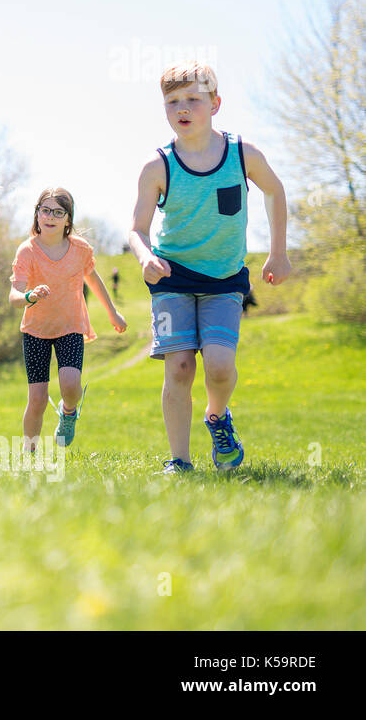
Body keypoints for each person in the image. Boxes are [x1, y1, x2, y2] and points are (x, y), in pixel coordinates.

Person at [128, 61, 290, 474]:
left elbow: (274, 191)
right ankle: (179, 461)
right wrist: (146, 257)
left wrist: (278, 252)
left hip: (224, 279)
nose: (182, 108)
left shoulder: (243, 154)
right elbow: (137, 230)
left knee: (219, 365)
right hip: (173, 276)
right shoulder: (157, 166)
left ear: (215, 104)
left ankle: (217, 418)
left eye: (193, 100)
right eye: (172, 102)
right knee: (179, 367)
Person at [9, 188, 126, 451]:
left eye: (58, 212)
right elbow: (14, 295)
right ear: (37, 214)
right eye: (45, 210)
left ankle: (69, 411)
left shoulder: (80, 249)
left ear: (68, 219)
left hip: (70, 326)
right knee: (37, 399)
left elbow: (93, 280)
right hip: (35, 330)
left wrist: (112, 312)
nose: (50, 216)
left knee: (71, 385)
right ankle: (29, 454)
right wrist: (29, 296)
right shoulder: (27, 251)